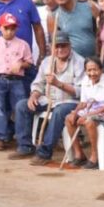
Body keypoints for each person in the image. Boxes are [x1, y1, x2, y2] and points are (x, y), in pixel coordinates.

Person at [27, 34, 85, 165]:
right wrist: (34, 95)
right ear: (51, 47)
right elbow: (38, 83)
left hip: (70, 102)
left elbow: (82, 91)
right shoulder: (47, 61)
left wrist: (59, 84)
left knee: (59, 111)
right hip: (48, 100)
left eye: (63, 46)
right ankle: (25, 147)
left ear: (70, 46)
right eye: (56, 46)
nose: (59, 50)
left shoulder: (79, 62)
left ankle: (44, 152)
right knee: (21, 106)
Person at [0, 12, 36, 154]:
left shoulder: (23, 44)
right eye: (6, 28)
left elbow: (29, 63)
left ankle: (22, 138)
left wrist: (21, 64)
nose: (9, 31)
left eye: (12, 28)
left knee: (19, 108)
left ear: (17, 29)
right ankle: (0, 136)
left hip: (16, 80)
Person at [65, 58, 104, 169]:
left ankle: (94, 157)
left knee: (89, 121)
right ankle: (79, 155)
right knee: (69, 118)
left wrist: (88, 115)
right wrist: (76, 111)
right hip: (90, 108)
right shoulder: (85, 81)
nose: (92, 73)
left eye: (95, 70)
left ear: (101, 70)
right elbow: (83, 102)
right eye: (89, 70)